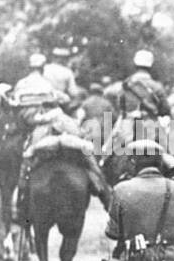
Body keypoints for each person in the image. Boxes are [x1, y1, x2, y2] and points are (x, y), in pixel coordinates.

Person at [14, 58, 113, 214]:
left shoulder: (21, 83)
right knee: (88, 158)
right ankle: (105, 196)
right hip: (52, 120)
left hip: (30, 124)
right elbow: (69, 97)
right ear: (42, 67)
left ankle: (19, 203)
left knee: (27, 160)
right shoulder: (49, 83)